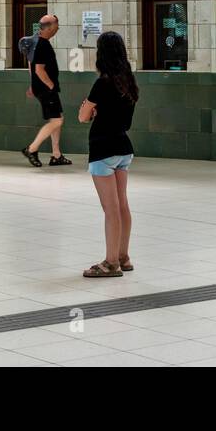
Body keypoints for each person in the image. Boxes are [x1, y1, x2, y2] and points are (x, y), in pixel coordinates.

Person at [78, 31, 139, 278]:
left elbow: (83, 116)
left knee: (110, 209)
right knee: (122, 205)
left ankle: (111, 262)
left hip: (103, 149)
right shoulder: (129, 81)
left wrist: (91, 110)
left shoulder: (102, 83)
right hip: (123, 148)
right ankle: (124, 256)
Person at [20, 14, 71, 168]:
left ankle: (56, 155)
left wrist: (33, 85)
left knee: (57, 118)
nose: (58, 28)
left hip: (41, 87)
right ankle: (31, 149)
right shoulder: (42, 45)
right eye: (56, 25)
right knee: (57, 121)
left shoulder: (37, 42)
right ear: (49, 27)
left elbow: (31, 65)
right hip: (46, 89)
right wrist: (51, 86)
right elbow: (39, 69)